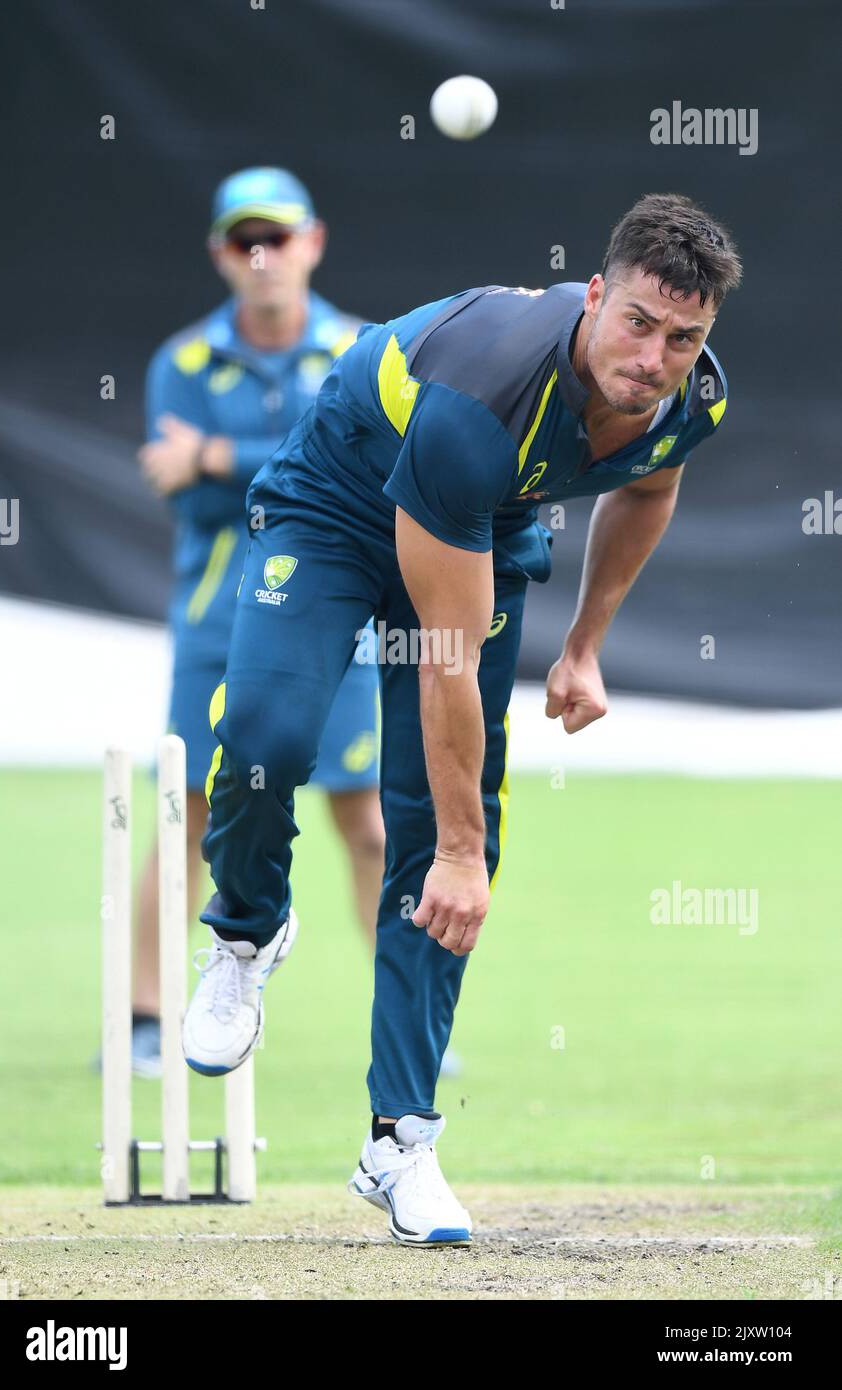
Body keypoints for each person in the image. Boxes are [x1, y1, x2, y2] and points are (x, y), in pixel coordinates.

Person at [180, 193, 742, 1245]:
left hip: (482, 525)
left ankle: (400, 1142)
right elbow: (442, 654)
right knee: (270, 741)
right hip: (342, 499)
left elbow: (647, 485)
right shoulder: (481, 397)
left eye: (683, 336)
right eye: (635, 322)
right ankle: (246, 931)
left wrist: (582, 645)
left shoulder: (687, 399)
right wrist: (460, 850)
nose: (654, 355)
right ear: (590, 297)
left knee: (433, 846)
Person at [130, 167, 384, 1075]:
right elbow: (181, 488)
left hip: (341, 619)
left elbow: (366, 475)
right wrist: (217, 467)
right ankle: (147, 1015)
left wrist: (217, 455)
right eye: (246, 241)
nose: (264, 257)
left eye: (279, 238)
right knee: (191, 816)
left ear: (314, 242)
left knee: (369, 821)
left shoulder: (362, 350)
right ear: (221, 255)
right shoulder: (184, 361)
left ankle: (395, 1014)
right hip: (218, 621)